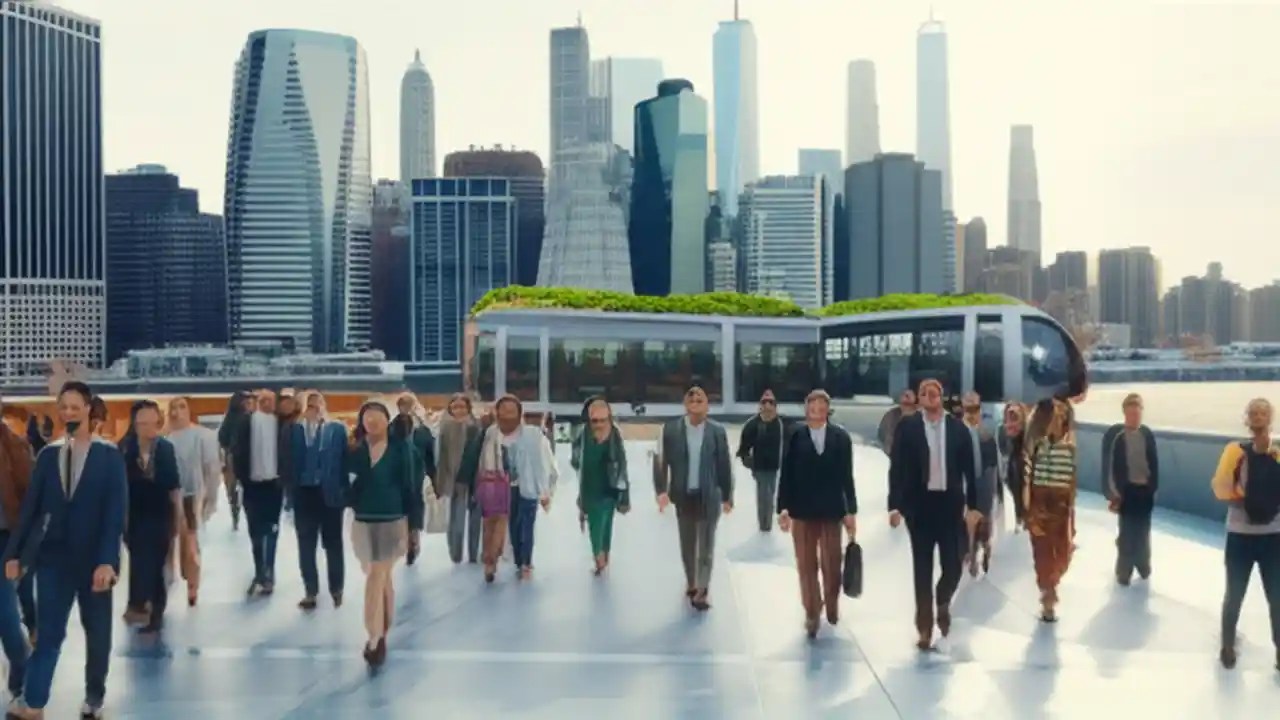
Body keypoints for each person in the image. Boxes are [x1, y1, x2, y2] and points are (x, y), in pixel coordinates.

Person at [3, 381, 127, 720]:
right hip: (53, 560)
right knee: (49, 635)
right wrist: (14, 555)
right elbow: (30, 510)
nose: (68, 412)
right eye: (64, 407)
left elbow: (115, 515)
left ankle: (94, 697)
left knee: (97, 635)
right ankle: (34, 703)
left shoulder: (109, 456)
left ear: (88, 409)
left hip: (94, 563)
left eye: (75, 406)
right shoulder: (47, 456)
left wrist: (107, 561)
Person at [888, 378, 979, 650]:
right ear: (919, 399)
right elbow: (896, 468)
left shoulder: (957, 428)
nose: (929, 397)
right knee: (922, 569)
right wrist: (895, 505)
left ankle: (943, 598)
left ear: (941, 397)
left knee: (954, 564)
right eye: (924, 393)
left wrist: (973, 506)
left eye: (934, 393)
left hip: (950, 506)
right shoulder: (908, 427)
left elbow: (969, 471)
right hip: (920, 507)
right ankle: (925, 628)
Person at [347, 401, 423, 667]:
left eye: (377, 418)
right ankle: (383, 627)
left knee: (377, 574)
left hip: (393, 520)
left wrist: (415, 526)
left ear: (386, 420)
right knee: (380, 576)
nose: (372, 422)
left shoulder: (402, 450)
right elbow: (347, 482)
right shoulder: (355, 450)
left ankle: (373, 636)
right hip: (363, 520)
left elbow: (412, 489)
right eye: (367, 418)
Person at [777, 390, 857, 638]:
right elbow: (786, 474)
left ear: (828, 410)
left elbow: (847, 477)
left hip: (832, 510)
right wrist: (783, 508)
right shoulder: (795, 436)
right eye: (813, 407)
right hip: (802, 510)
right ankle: (812, 612)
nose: (817, 411)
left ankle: (831, 604)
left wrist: (851, 511)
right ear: (806, 410)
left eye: (822, 407)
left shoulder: (841, 438)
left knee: (832, 563)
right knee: (806, 564)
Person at [1211, 398, 1280, 671]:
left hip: (1241, 534)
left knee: (1234, 594)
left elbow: (1219, 489)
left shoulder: (1233, 451)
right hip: (1273, 535)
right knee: (1276, 596)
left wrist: (1240, 493)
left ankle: (1228, 647)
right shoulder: (1278, 453)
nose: (1259, 417)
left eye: (1260, 413)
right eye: (1257, 412)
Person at [655, 386, 734, 611]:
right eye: (691, 397)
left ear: (707, 405)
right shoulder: (671, 431)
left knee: (706, 546)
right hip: (682, 495)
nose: (696, 400)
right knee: (688, 544)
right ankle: (691, 581)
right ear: (685, 404)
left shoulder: (717, 432)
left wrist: (727, 495)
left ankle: (702, 589)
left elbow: (724, 465)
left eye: (701, 397)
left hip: (709, 495)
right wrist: (661, 490)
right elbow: (660, 462)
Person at [119, 401, 181, 634]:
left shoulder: (165, 448)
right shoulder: (124, 449)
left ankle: (154, 609)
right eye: (141, 423)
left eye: (151, 422)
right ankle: (140, 604)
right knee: (139, 560)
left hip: (160, 513)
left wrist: (178, 520)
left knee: (156, 562)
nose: (146, 427)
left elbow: (173, 485)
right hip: (134, 514)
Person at [290, 392, 350, 610]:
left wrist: (345, 492)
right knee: (306, 544)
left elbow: (345, 462)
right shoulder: (294, 431)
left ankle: (337, 589)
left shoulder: (337, 429)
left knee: (333, 543)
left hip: (330, 494)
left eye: (318, 405)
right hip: (304, 494)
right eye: (310, 406)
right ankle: (310, 591)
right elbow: (288, 463)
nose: (315, 410)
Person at [1024, 397, 1079, 622]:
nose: (1059, 416)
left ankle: (1052, 583)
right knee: (1042, 553)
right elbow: (1027, 479)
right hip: (1040, 501)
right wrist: (1029, 511)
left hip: (1062, 504)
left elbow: (1072, 482)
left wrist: (1071, 515)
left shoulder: (1070, 448)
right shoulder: (1037, 446)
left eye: (1063, 413)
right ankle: (1047, 595)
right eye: (1056, 413)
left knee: (1064, 554)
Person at [166, 396, 221, 607]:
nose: (177, 411)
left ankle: (192, 587)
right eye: (174, 407)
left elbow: (212, 468)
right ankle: (172, 581)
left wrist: (210, 498)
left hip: (192, 496)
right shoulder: (166, 438)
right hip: (169, 497)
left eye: (182, 407)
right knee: (170, 544)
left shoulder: (202, 436)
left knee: (190, 544)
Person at [1103, 393, 1159, 586]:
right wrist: (1116, 494)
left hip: (1145, 492)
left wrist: (1152, 487)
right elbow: (1113, 468)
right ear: (1125, 414)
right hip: (1127, 493)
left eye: (1137, 413)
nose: (1135, 417)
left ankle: (1144, 567)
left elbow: (1154, 464)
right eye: (1131, 413)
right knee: (1127, 533)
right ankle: (1124, 571)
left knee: (1143, 531)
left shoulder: (1147, 435)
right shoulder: (1119, 439)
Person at [233, 390, 284, 596]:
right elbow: (237, 450)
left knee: (272, 530)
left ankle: (269, 573)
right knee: (255, 531)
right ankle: (259, 571)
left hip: (274, 486)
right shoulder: (245, 422)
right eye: (263, 400)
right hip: (252, 486)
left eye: (271, 400)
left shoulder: (282, 424)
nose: (267, 404)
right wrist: (241, 479)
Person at [571, 397, 630, 575]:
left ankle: (605, 554)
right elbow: (575, 459)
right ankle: (599, 558)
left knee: (606, 524)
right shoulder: (583, 434)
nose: (598, 424)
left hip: (609, 486)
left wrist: (624, 495)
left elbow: (622, 462)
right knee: (595, 525)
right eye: (594, 420)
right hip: (590, 487)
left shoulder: (615, 435)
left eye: (603, 420)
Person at [0, 395, 32, 701]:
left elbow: (30, 495)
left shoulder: (13, 446)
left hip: (5, 538)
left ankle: (22, 668)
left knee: (4, 610)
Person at [434, 394, 482, 564]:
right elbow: (441, 456)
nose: (459, 410)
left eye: (462, 406)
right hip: (455, 478)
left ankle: (474, 553)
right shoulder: (446, 427)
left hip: (476, 477)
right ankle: (456, 552)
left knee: (476, 518)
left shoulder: (477, 426)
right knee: (456, 517)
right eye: (455, 407)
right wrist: (440, 482)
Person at [960, 392, 999, 577]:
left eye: (974, 409)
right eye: (967, 409)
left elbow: (993, 466)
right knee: (967, 525)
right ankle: (971, 556)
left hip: (983, 486)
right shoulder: (956, 434)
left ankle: (986, 548)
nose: (971, 413)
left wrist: (994, 491)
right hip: (964, 487)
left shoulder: (987, 435)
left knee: (984, 527)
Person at [736, 390, 785, 532]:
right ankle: (764, 526)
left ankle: (768, 523)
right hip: (760, 469)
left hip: (778, 467)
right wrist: (752, 464)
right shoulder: (752, 425)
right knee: (764, 495)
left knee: (772, 496)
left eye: (771, 403)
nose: (768, 407)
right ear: (760, 406)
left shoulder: (782, 425)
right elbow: (743, 450)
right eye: (765, 403)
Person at [218, 391, 255, 531]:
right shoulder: (248, 418)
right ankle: (241, 514)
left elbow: (222, 439)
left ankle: (236, 515)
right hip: (239, 458)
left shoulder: (230, 419)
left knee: (233, 491)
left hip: (233, 457)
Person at [997, 402, 1028, 532]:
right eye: (1007, 420)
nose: (1010, 424)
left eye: (1014, 419)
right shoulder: (1001, 433)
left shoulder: (1027, 440)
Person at [877, 389, 917, 455]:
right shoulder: (890, 416)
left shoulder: (922, 417)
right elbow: (883, 436)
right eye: (904, 403)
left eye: (909, 404)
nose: (907, 398)